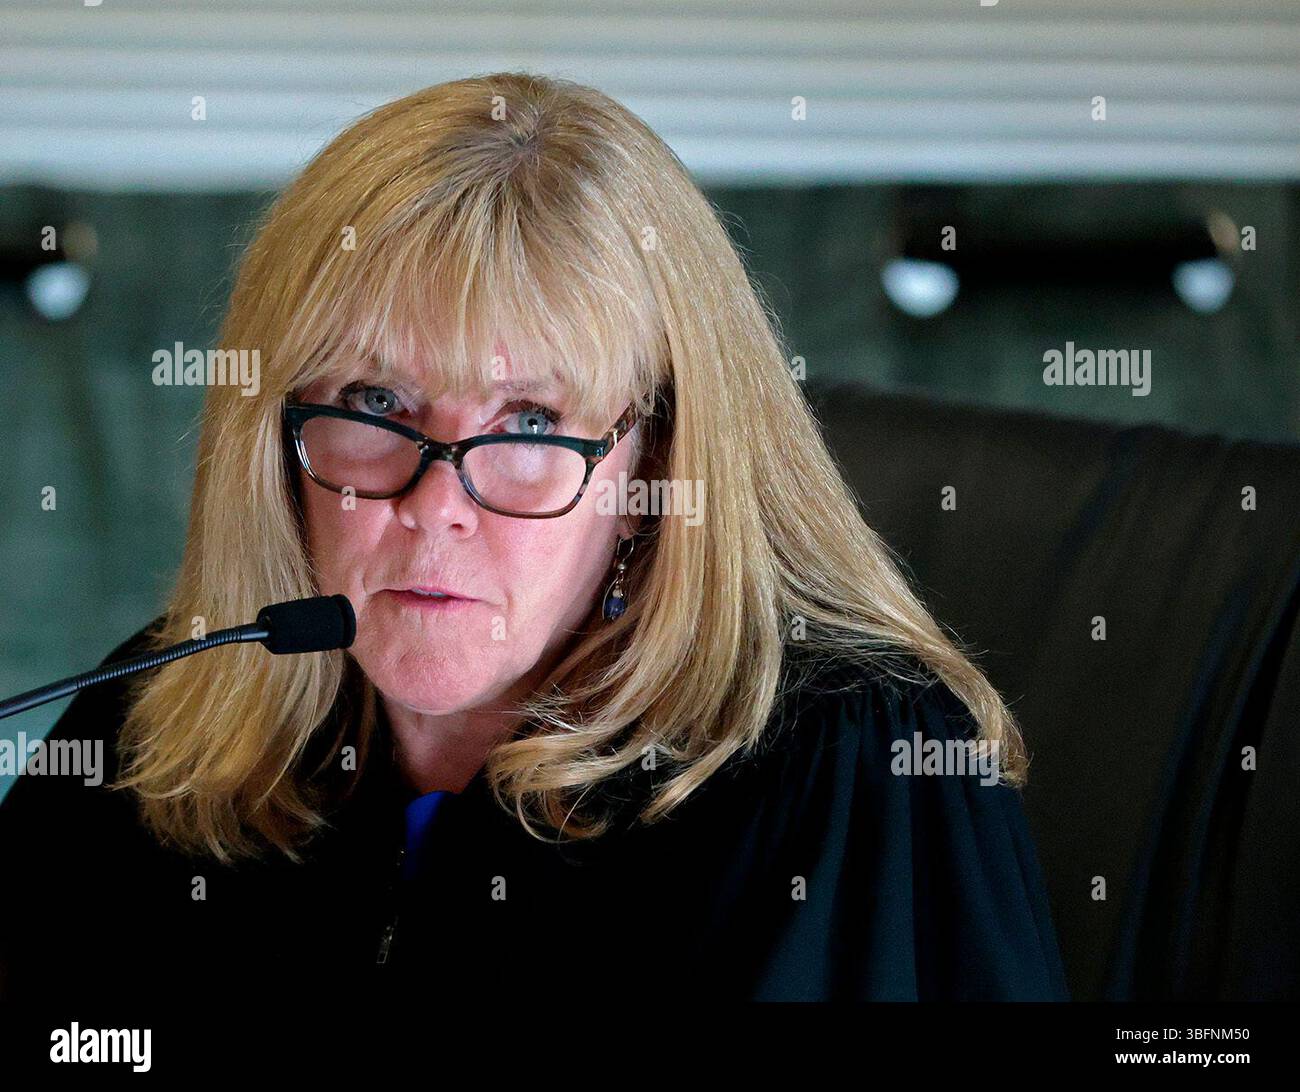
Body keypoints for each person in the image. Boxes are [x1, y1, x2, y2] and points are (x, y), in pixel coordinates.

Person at [0, 71, 1069, 1003]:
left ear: (656, 459)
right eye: (375, 401)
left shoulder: (857, 764)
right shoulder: (163, 719)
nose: (435, 505)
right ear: (271, 436)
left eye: (528, 422)